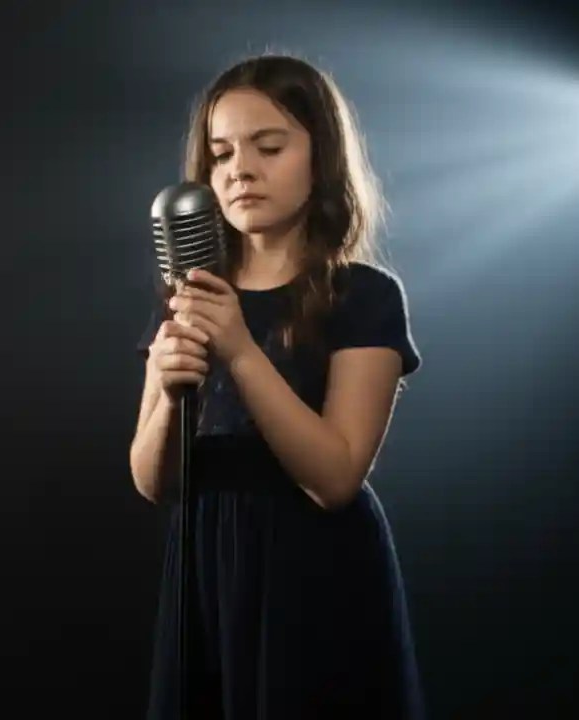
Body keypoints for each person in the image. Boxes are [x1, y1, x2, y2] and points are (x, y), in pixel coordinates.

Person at [130, 53, 425, 719]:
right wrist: (174, 395)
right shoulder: (186, 296)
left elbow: (335, 476)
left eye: (269, 146)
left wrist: (238, 350)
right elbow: (154, 481)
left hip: (313, 571)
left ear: (320, 156)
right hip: (208, 566)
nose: (241, 169)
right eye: (221, 153)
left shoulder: (366, 298)